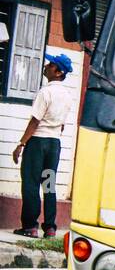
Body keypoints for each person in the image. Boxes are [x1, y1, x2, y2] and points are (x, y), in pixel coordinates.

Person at [11, 54, 76, 238]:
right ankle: (50, 227)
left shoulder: (45, 92)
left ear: (58, 72)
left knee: (31, 184)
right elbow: (61, 125)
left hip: (38, 143)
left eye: (51, 65)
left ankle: (30, 226)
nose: (46, 66)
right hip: (54, 144)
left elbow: (35, 121)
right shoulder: (66, 95)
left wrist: (21, 144)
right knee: (49, 185)